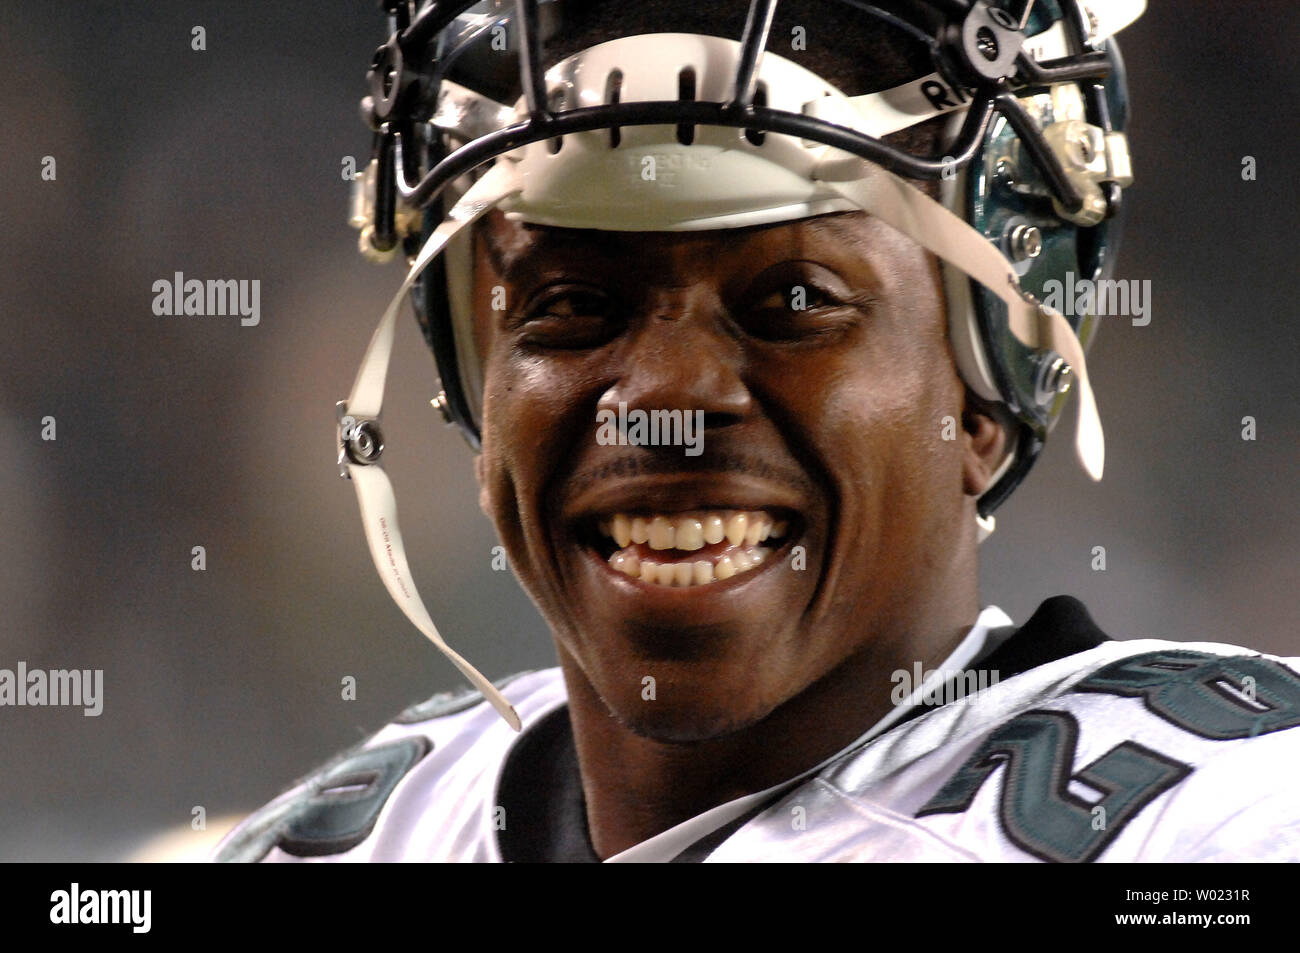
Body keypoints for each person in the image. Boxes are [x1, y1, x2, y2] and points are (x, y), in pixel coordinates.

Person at [215, 0, 1300, 863]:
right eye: (572, 306)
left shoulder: (1232, 817)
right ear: (470, 377)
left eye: (792, 301)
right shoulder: (358, 831)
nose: (667, 396)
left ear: (983, 392)